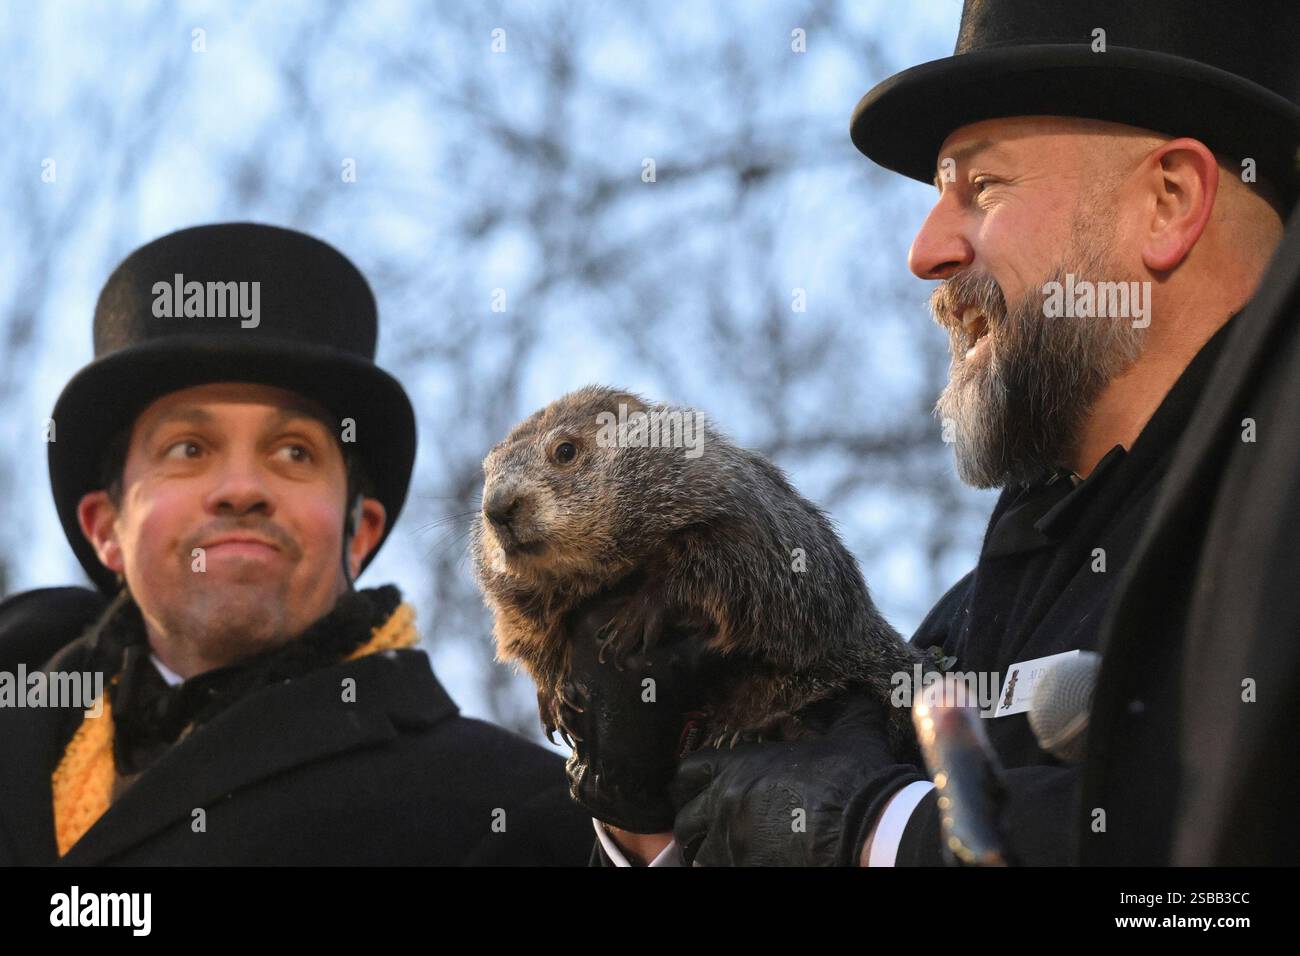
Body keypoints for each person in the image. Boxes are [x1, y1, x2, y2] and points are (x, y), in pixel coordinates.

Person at [574, 0, 1300, 865]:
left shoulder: (1271, 533)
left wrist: (884, 836)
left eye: (983, 187)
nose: (925, 250)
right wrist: (651, 813)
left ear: (1169, 202)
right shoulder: (962, 624)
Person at [0, 223, 593, 865]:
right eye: (188, 449)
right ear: (104, 529)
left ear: (358, 532)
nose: (241, 489)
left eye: (293, 452)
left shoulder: (519, 813)